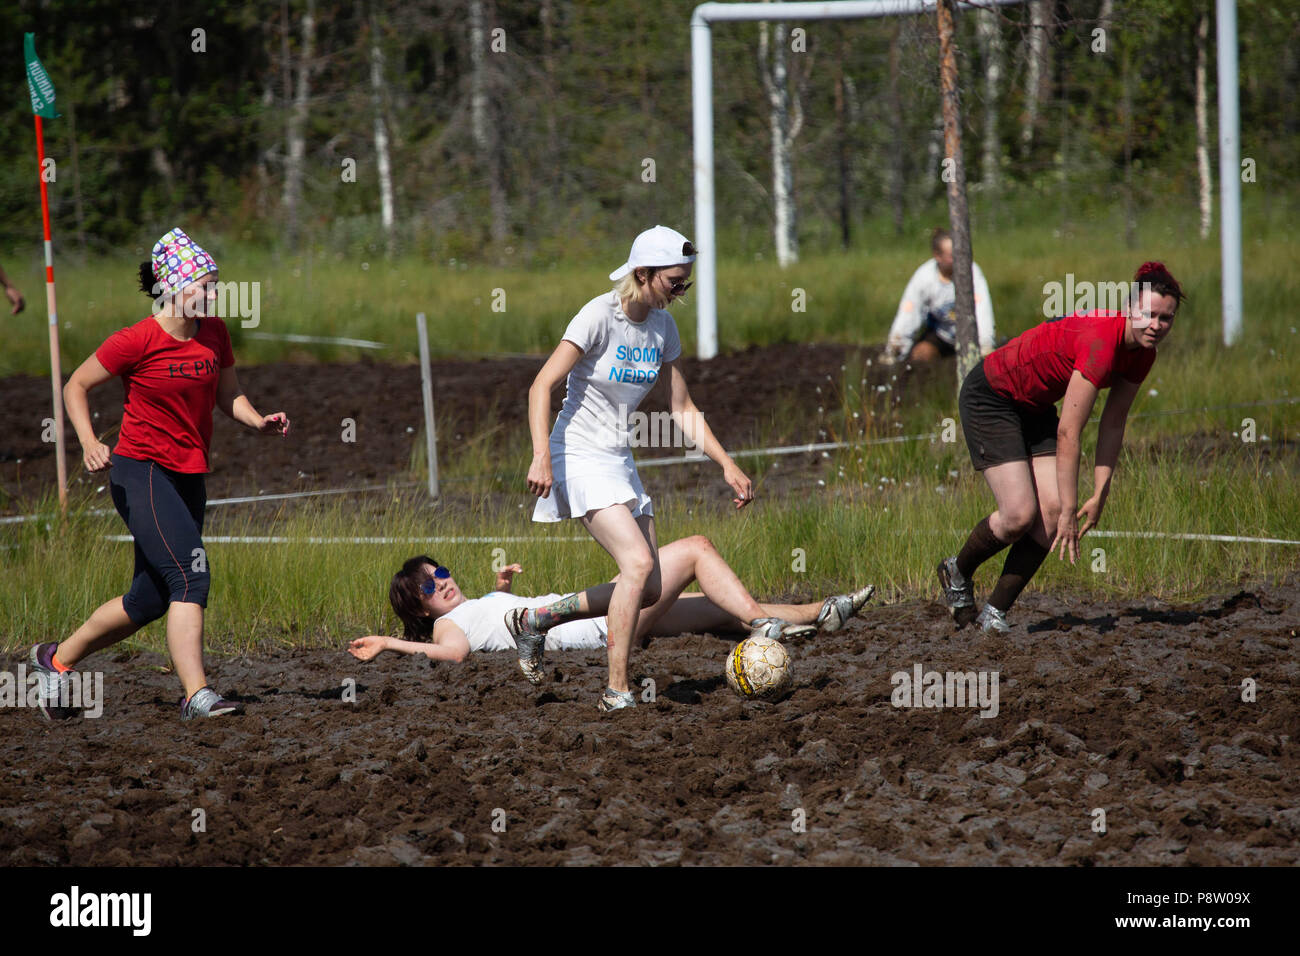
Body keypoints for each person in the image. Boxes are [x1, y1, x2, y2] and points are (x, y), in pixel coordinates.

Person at [28, 227, 290, 720]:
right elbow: (76, 385)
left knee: (148, 600)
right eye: (204, 286)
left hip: (190, 476)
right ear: (172, 286)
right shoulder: (137, 339)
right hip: (140, 472)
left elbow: (227, 392)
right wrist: (88, 441)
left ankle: (55, 660)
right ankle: (197, 695)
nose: (214, 295)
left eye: (216, 285)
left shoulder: (214, 333)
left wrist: (257, 419)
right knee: (191, 576)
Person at [516, 226, 767, 711]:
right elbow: (540, 385)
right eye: (675, 282)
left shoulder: (662, 327)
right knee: (636, 563)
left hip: (617, 458)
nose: (681, 292)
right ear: (643, 274)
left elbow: (683, 408)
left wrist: (726, 464)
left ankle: (539, 619)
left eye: (686, 284)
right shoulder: (597, 315)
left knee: (649, 586)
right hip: (577, 453)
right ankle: (617, 689)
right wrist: (541, 454)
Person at [937, 261, 1184, 632]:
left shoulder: (1144, 354)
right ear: (1130, 307)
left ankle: (994, 614)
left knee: (1049, 516)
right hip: (992, 396)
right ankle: (958, 570)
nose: (1156, 325)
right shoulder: (1102, 341)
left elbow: (1114, 423)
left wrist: (1099, 493)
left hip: (1033, 406)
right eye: (1148, 314)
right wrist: (1072, 505)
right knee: (1020, 515)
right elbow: (1070, 431)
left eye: (1166, 319)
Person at [347, 535, 874, 666]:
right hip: (601, 628)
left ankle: (819, 614)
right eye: (427, 585)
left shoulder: (464, 609)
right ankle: (765, 622)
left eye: (438, 570)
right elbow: (454, 652)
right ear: (418, 609)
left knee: (714, 606)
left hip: (603, 618)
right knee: (693, 550)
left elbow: (493, 623)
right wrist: (393, 643)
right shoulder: (443, 629)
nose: (440, 581)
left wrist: (500, 588)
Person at [881, 228, 996, 364]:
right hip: (940, 334)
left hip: (969, 335)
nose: (958, 260)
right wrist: (895, 348)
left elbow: (982, 309)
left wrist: (985, 345)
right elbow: (909, 312)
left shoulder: (972, 273)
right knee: (921, 355)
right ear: (937, 256)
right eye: (951, 256)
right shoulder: (924, 277)